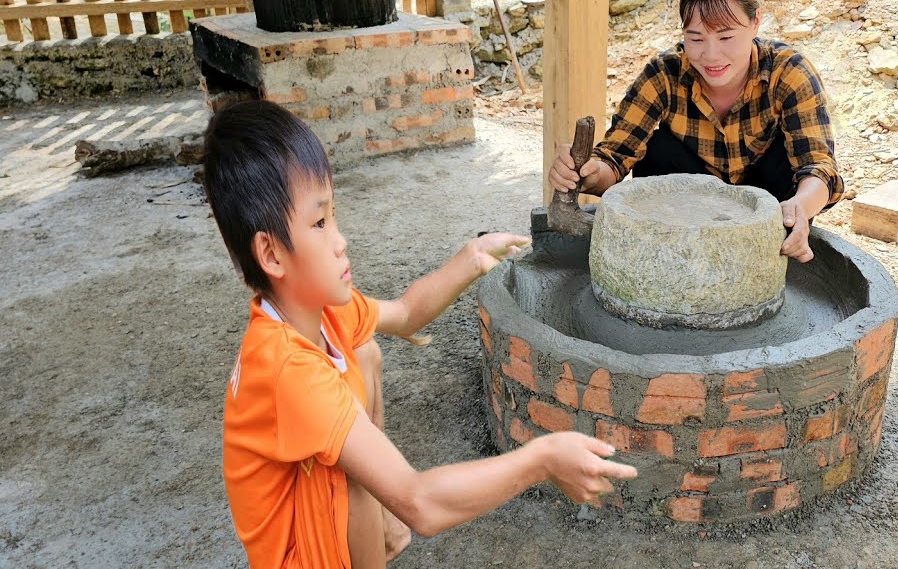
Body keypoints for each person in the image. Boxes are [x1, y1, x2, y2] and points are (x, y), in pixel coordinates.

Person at [204, 101, 636, 569]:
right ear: (270, 254)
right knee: (356, 469)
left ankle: (376, 523)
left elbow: (407, 313)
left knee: (363, 353)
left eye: (334, 216)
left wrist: (470, 257)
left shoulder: (314, 313)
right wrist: (541, 459)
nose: (340, 240)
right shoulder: (288, 370)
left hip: (324, 519)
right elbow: (421, 504)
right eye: (320, 222)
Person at [548, 0, 846, 263]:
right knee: (658, 147)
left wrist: (800, 207)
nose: (711, 55)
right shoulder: (664, 75)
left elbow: (820, 169)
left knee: (785, 158)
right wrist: (581, 173)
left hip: (764, 230)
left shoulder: (788, 72)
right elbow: (612, 160)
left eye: (726, 37)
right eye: (695, 38)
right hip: (679, 234)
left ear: (755, 22)